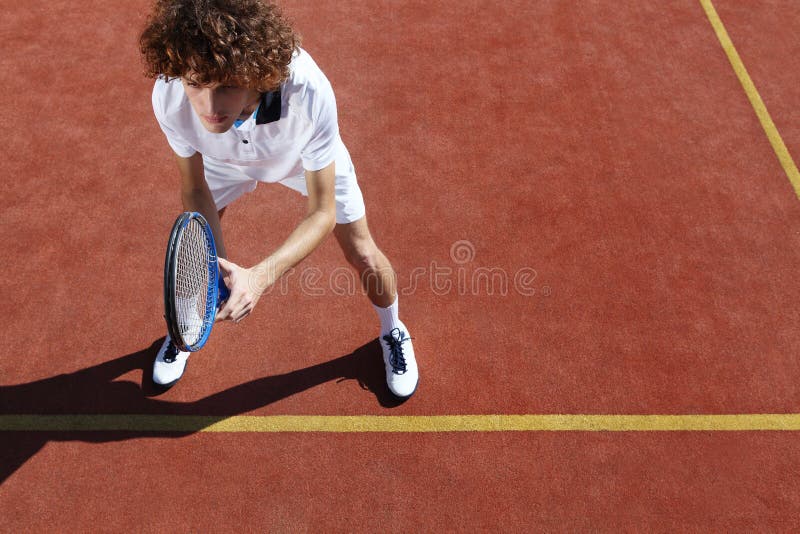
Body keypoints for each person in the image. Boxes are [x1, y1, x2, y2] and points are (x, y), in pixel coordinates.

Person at [139, 0, 419, 398]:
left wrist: (258, 278)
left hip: (299, 157)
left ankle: (392, 329)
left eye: (228, 86)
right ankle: (187, 328)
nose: (210, 106)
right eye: (196, 84)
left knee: (362, 251)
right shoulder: (168, 96)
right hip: (223, 162)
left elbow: (322, 213)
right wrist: (221, 267)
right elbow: (196, 190)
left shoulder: (308, 92)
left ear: (258, 75)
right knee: (196, 250)